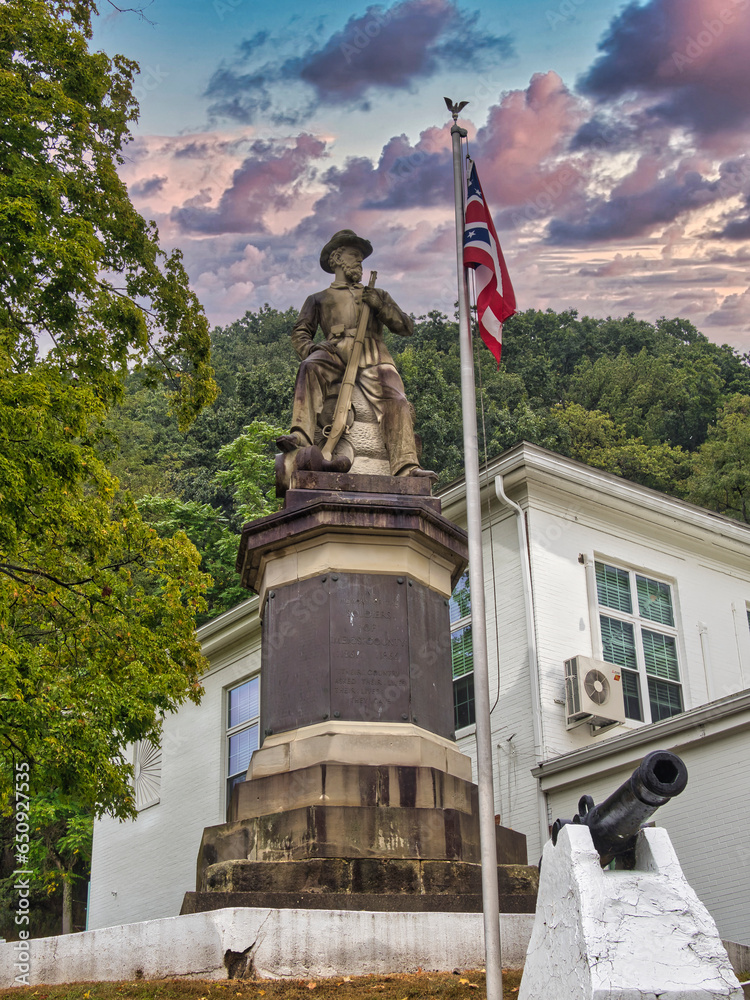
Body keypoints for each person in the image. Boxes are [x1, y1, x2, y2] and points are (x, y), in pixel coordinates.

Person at [277, 229, 436, 480]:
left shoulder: (377, 294)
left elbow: (406, 327)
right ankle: (301, 436)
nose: (360, 261)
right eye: (354, 255)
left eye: (361, 257)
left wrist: (379, 307)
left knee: (397, 399)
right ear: (338, 259)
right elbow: (300, 333)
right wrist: (311, 349)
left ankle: (407, 466)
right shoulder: (318, 299)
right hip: (334, 352)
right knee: (308, 367)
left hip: (374, 355)